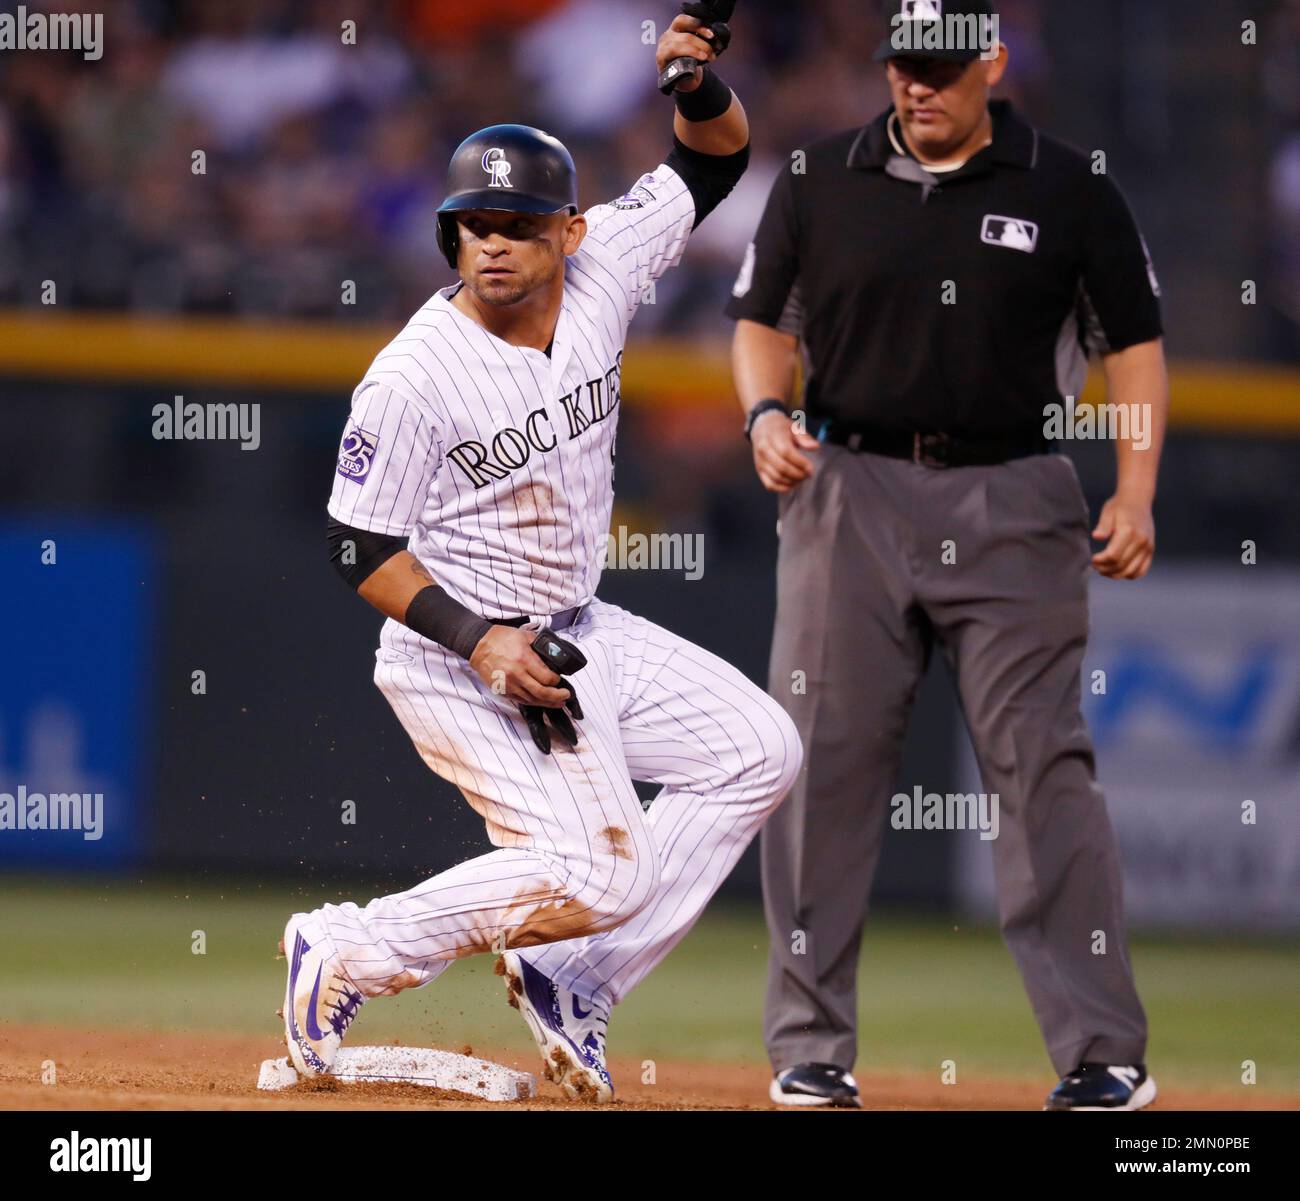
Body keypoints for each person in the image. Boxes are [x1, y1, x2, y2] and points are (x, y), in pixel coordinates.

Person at [279, 12, 803, 1104]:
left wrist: (691, 80)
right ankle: (347, 950)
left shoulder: (605, 256)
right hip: (455, 650)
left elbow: (716, 159)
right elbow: (355, 540)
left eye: (517, 223)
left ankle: (572, 978)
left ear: (566, 230)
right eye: (473, 224)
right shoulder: (415, 375)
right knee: (600, 870)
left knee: (758, 748)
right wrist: (476, 645)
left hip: (574, 627)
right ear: (449, 236)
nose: (493, 243)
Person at [727, 0, 1167, 1111]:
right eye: (899, 66)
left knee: (1043, 774)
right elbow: (760, 316)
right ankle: (809, 1049)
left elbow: (1137, 349)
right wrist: (764, 414)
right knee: (816, 771)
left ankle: (1103, 1053)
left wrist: (1136, 487)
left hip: (1013, 491)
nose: (914, 87)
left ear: (991, 64)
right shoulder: (819, 176)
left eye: (937, 67)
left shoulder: (1066, 186)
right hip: (847, 486)